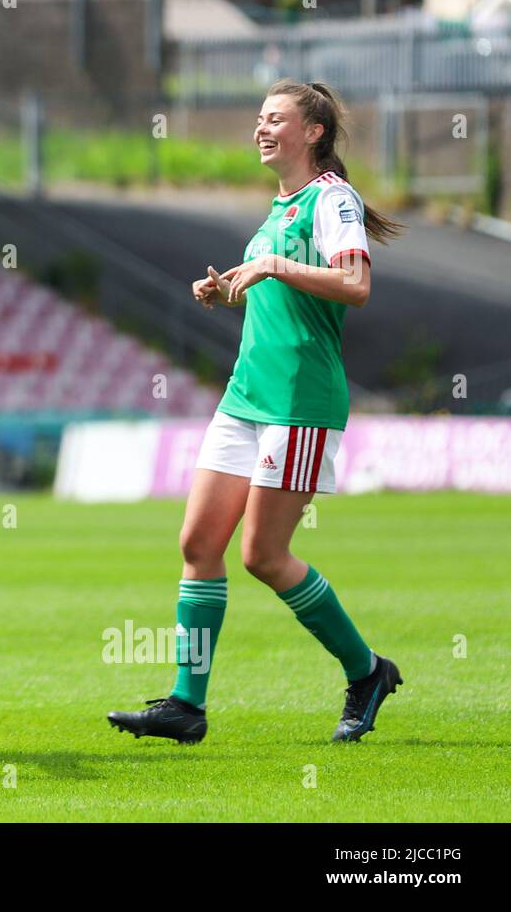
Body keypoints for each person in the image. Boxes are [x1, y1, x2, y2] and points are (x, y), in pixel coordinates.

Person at [108, 80, 406, 745]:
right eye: (259, 119)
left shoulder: (331, 199)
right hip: (245, 397)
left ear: (314, 133)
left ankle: (366, 671)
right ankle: (187, 705)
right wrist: (228, 289)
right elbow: (284, 298)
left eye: (276, 119)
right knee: (196, 545)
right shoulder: (277, 213)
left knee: (265, 555)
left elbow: (355, 285)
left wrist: (270, 265)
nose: (260, 129)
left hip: (299, 401)